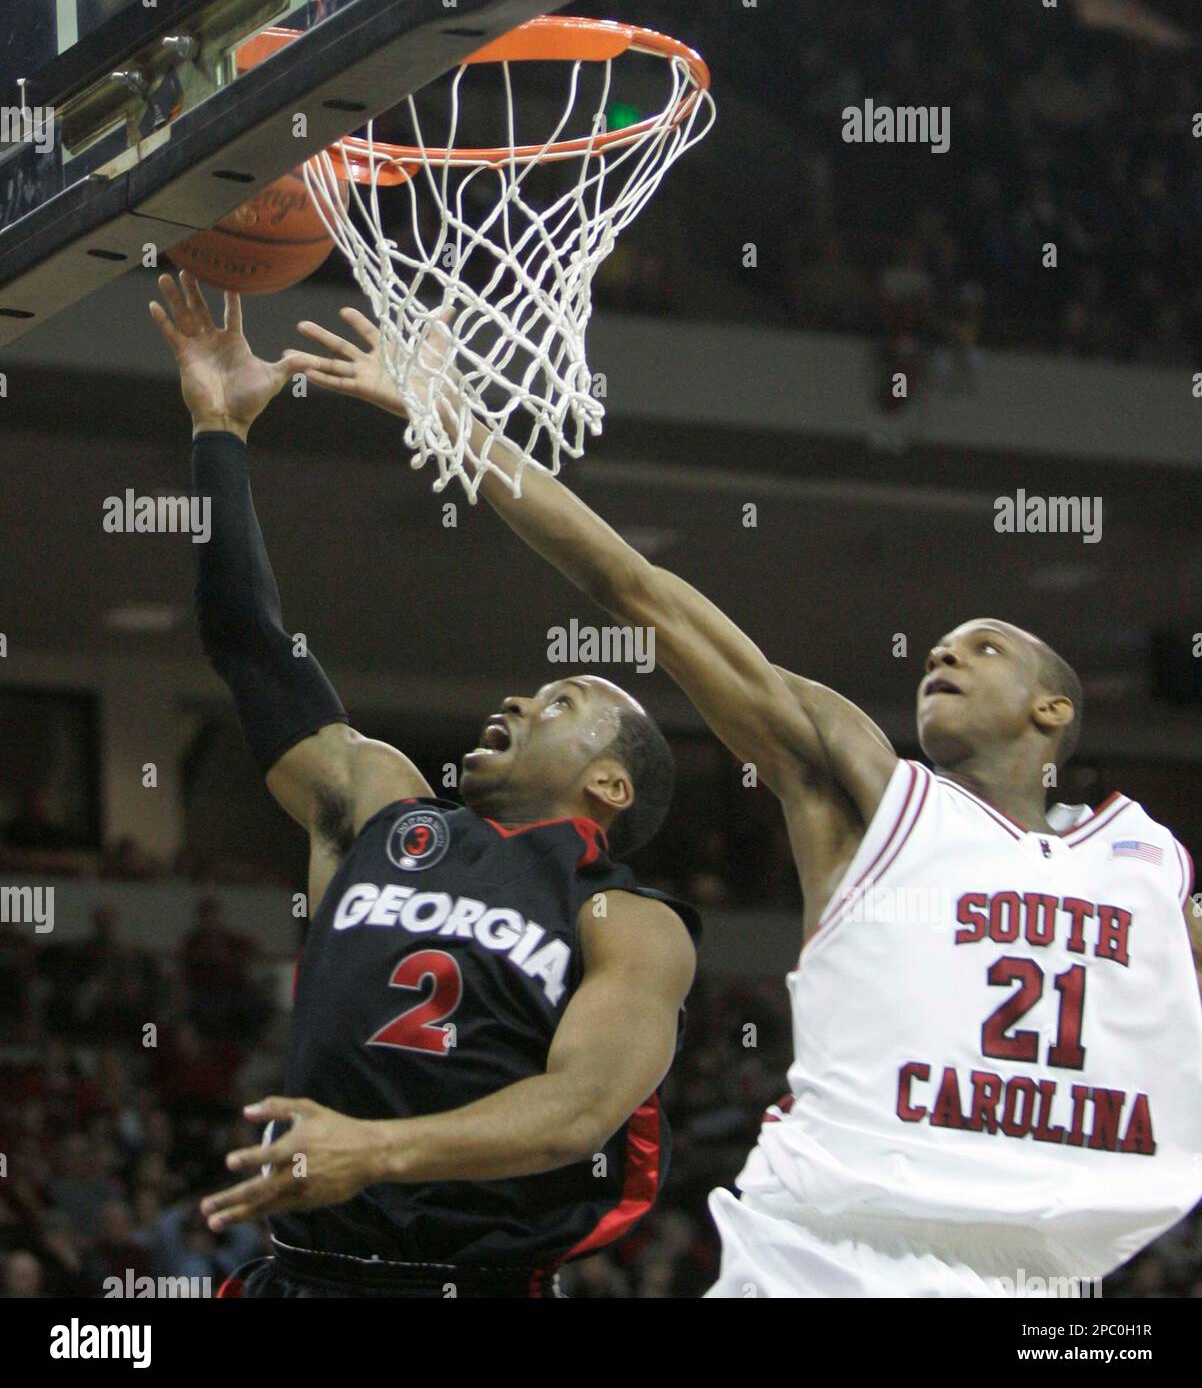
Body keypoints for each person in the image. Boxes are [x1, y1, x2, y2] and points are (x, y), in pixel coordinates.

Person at [286, 303, 1202, 1298]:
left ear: (1051, 708)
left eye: (984, 646)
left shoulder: (1143, 865)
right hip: (826, 1261)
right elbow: (638, 590)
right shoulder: (865, 792)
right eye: (941, 642)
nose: (942, 651)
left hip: (1035, 1281)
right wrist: (455, 421)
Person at [148, 273, 700, 1299]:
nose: (521, 698)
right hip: (299, 1271)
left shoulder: (626, 920)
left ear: (612, 783)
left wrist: (378, 1149)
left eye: (563, 697)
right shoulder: (381, 804)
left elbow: (577, 1112)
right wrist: (218, 432)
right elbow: (252, 650)